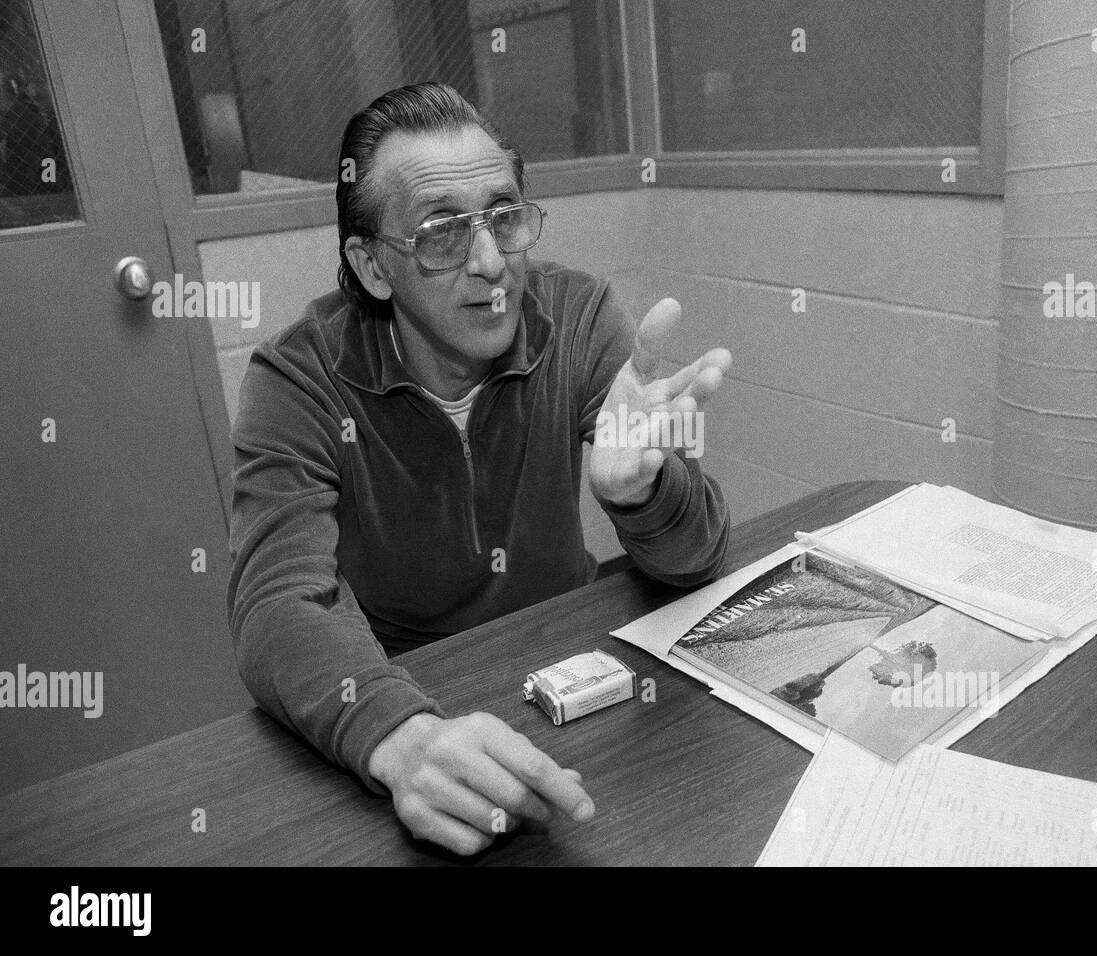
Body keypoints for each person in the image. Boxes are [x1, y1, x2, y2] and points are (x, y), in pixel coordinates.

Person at [227, 82, 733, 856]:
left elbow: (694, 555)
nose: (491, 262)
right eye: (441, 232)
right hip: (409, 693)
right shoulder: (300, 376)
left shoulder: (579, 317)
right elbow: (275, 602)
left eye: (503, 216)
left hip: (572, 660)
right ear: (369, 266)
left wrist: (644, 497)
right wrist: (398, 735)